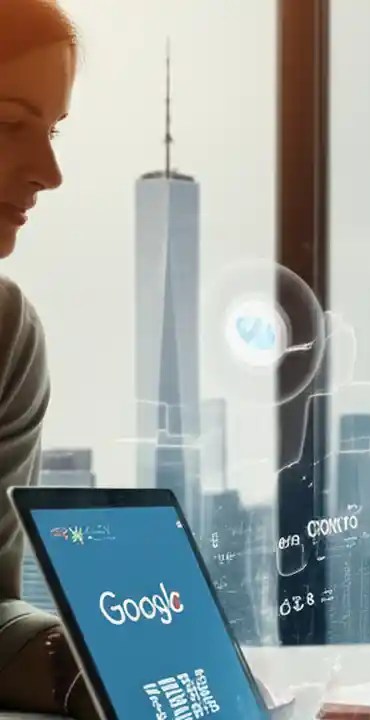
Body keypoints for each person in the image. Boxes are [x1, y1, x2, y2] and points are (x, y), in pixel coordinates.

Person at [0, 1, 97, 718]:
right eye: (7, 124)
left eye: (53, 131)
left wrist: (82, 663)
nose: (49, 172)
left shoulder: (6, 333)